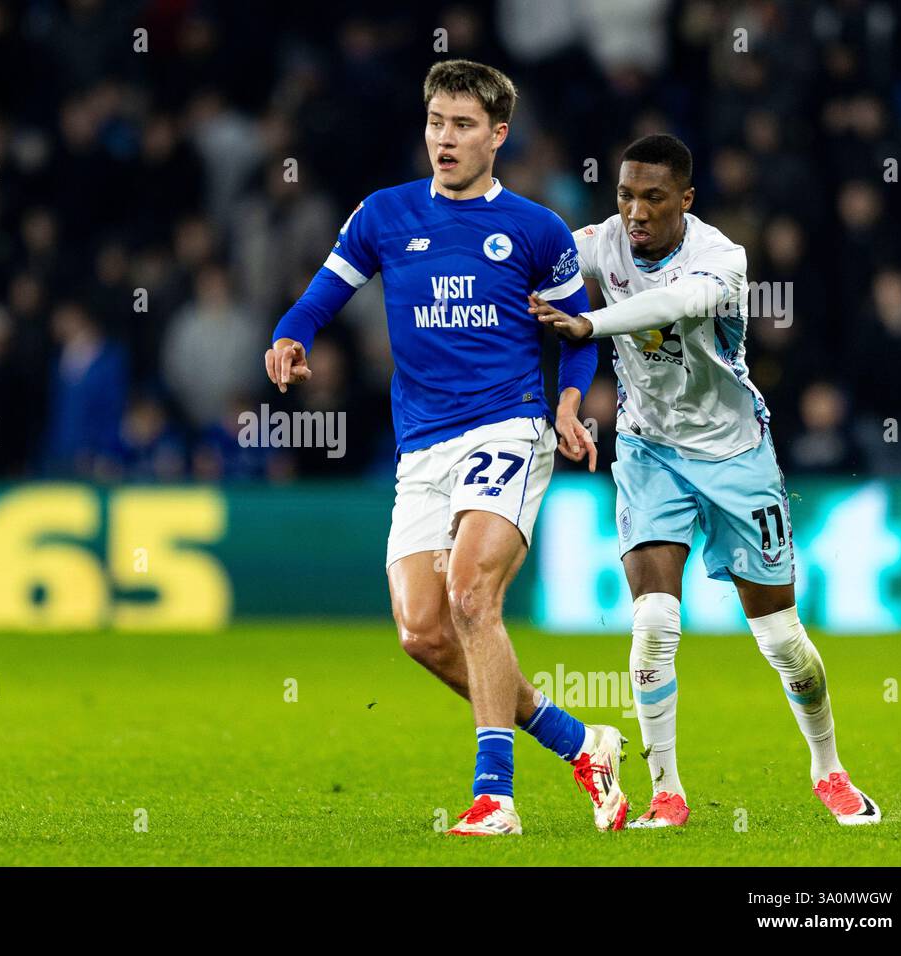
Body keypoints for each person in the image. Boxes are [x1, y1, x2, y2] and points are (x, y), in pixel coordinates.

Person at [266, 59, 628, 836]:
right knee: (422, 631)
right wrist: (291, 334)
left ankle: (494, 797)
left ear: (498, 134)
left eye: (463, 125)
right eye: (436, 123)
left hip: (508, 425)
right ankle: (582, 743)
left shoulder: (537, 229)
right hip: (423, 445)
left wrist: (568, 405)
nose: (445, 138)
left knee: (470, 595)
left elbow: (578, 336)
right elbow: (325, 292)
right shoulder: (384, 215)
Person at [532, 134, 881, 827]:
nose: (635, 211)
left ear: (685, 201)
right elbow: (533, 267)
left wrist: (588, 323)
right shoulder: (601, 241)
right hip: (648, 449)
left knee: (782, 639)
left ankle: (828, 769)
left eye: (653, 197)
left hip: (735, 455)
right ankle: (666, 789)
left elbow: (669, 308)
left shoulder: (722, 260)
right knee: (655, 624)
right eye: (626, 194)